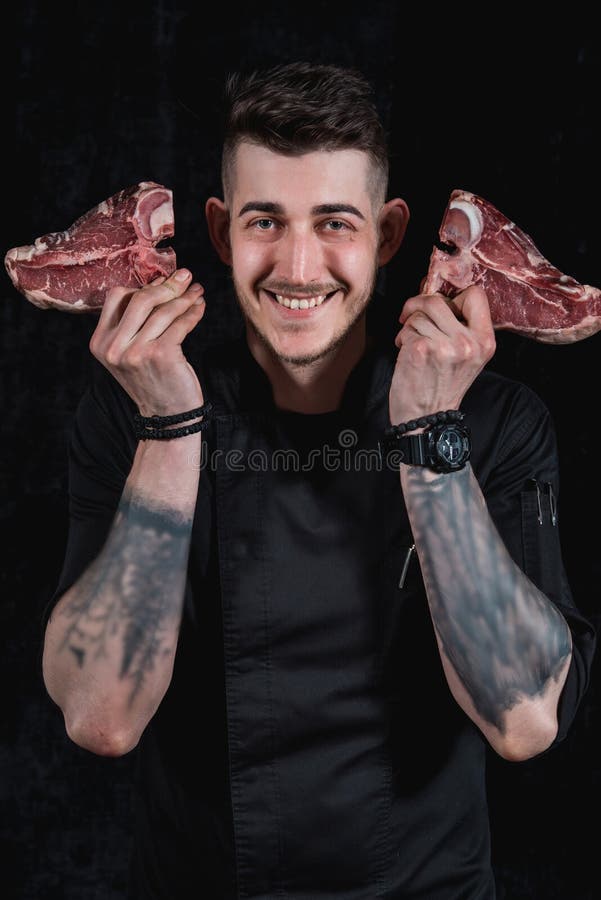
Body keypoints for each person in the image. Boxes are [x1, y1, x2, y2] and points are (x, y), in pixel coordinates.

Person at [41, 61, 596, 900]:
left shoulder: (494, 423)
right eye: (266, 220)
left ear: (387, 232)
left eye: (334, 222)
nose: (298, 267)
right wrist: (169, 427)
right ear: (222, 232)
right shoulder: (130, 412)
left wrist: (428, 432)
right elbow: (99, 717)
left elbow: (522, 720)